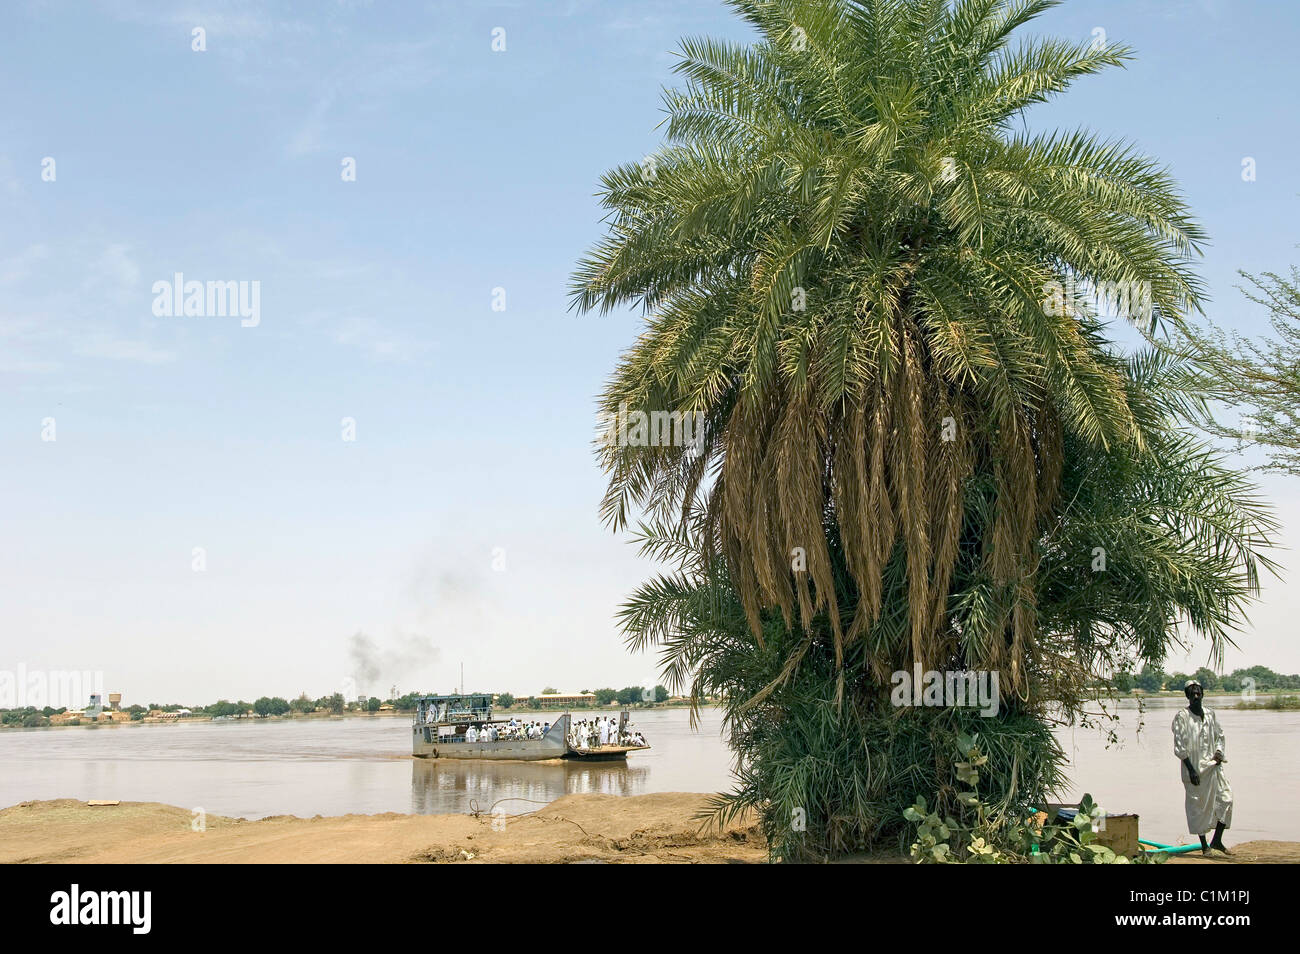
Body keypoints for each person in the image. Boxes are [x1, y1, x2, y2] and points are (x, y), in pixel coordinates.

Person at [1172, 679, 1232, 855]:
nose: (1196, 696)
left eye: (1198, 692)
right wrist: (1191, 770)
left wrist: (1219, 752)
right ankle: (1205, 846)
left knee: (1226, 799)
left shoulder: (1210, 714)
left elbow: (1220, 736)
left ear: (1203, 694)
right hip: (1195, 770)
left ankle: (1217, 841)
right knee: (1198, 808)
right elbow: (1179, 747)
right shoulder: (1182, 716)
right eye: (1192, 693)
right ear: (1187, 696)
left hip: (1213, 767)